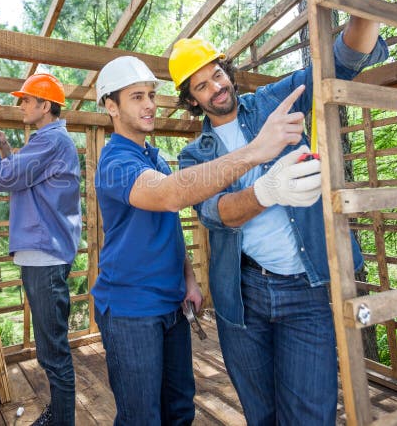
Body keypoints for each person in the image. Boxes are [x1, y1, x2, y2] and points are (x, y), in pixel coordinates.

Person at [172, 0, 389, 425]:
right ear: (192, 100)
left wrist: (363, 6)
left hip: (307, 289)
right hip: (242, 296)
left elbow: (343, 62)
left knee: (310, 415)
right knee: (261, 415)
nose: (216, 86)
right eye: (202, 85)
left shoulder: (276, 100)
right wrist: (266, 191)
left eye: (217, 73)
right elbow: (213, 215)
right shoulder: (194, 156)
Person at [91, 55, 309, 425]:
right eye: (135, 97)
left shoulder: (153, 158)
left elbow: (168, 227)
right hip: (131, 310)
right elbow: (169, 196)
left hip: (171, 305)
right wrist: (257, 151)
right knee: (141, 418)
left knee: (179, 409)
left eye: (150, 95)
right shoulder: (115, 162)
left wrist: (189, 280)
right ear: (111, 107)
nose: (148, 105)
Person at [0, 73, 80, 426]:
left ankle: (62, 421)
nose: (22, 105)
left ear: (45, 106)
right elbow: (22, 176)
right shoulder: (45, 141)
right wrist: (2, 150)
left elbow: (5, 179)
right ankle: (59, 414)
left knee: (54, 352)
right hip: (40, 254)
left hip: (45, 255)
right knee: (49, 349)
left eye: (27, 100)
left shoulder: (52, 140)